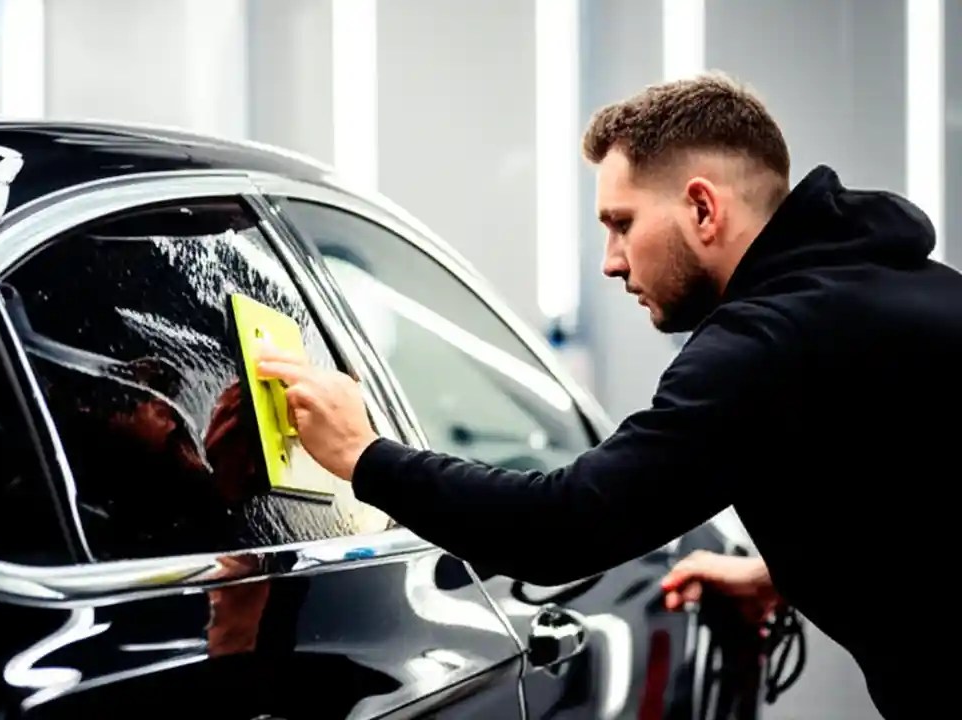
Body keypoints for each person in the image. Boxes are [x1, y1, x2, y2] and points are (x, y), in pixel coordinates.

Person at [255, 71, 954, 719]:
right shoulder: (903, 292)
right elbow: (903, 481)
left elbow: (564, 526)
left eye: (621, 223)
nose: (612, 261)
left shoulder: (764, 343)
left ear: (703, 208)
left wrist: (363, 455)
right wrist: (784, 573)